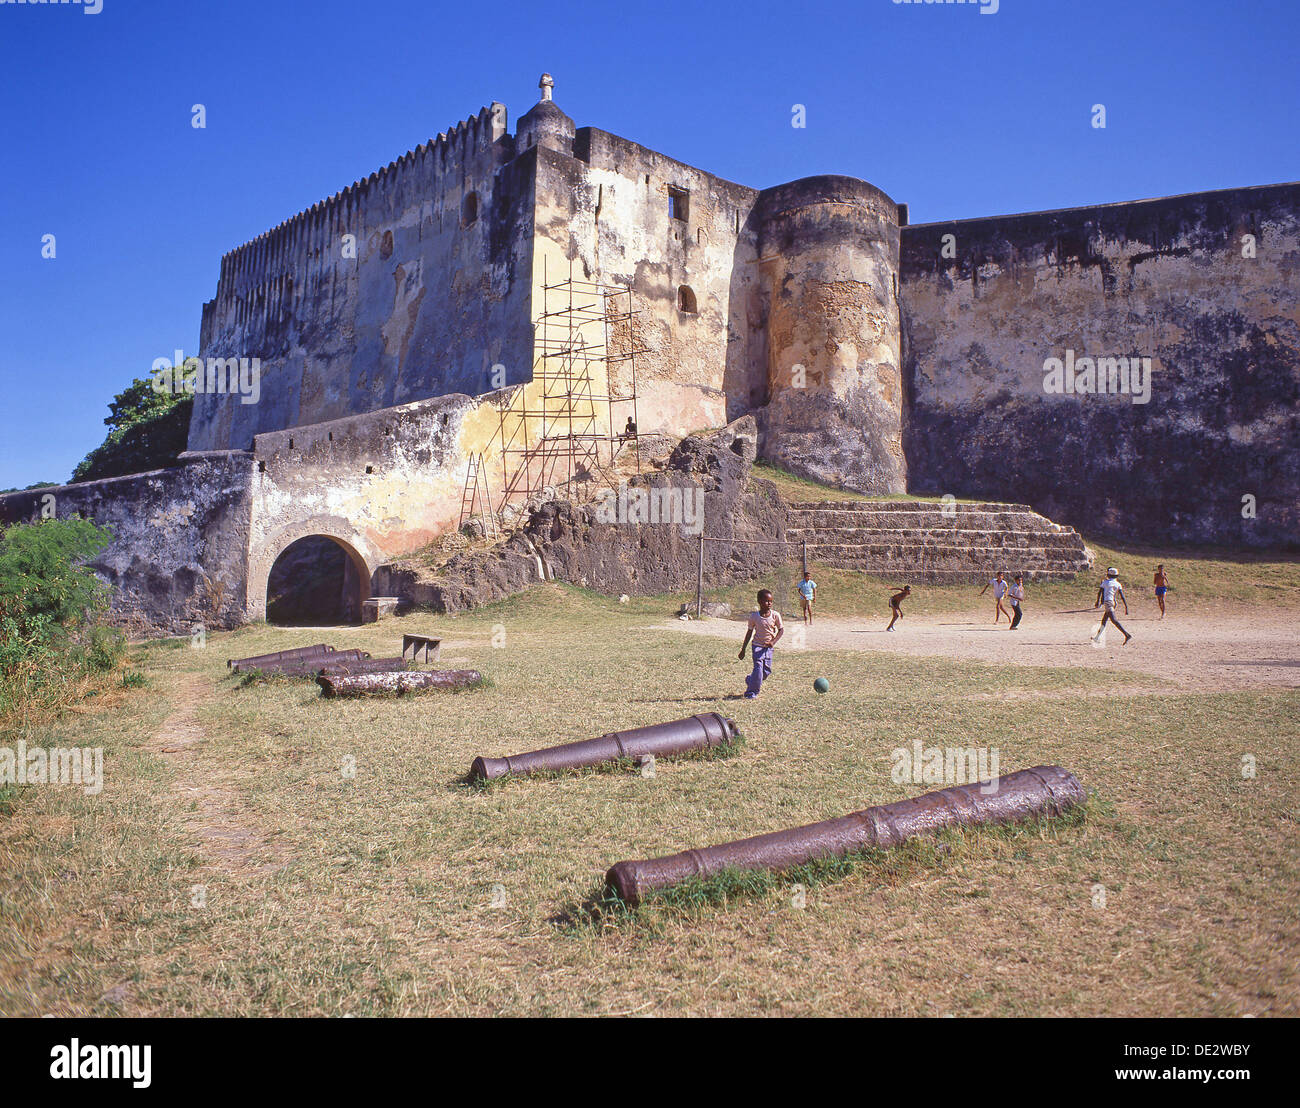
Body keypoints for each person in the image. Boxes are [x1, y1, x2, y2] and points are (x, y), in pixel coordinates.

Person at [739, 589, 784, 698]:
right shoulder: (754, 616)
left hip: (768, 648)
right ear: (759, 601)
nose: (769, 603)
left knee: (765, 672)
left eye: (771, 601)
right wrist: (743, 649)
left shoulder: (775, 615)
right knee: (758, 669)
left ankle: (750, 679)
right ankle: (751, 693)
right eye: (766, 601)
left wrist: (773, 642)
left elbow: (781, 630)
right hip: (757, 647)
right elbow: (749, 632)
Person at [1094, 567, 1132, 645]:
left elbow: (1100, 592)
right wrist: (1126, 607)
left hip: (1107, 602)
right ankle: (1097, 637)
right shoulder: (1118, 584)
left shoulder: (1105, 582)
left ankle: (1127, 634)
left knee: (1114, 620)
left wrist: (1097, 602)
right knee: (1104, 621)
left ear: (1108, 574)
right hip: (1113, 602)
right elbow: (1122, 596)